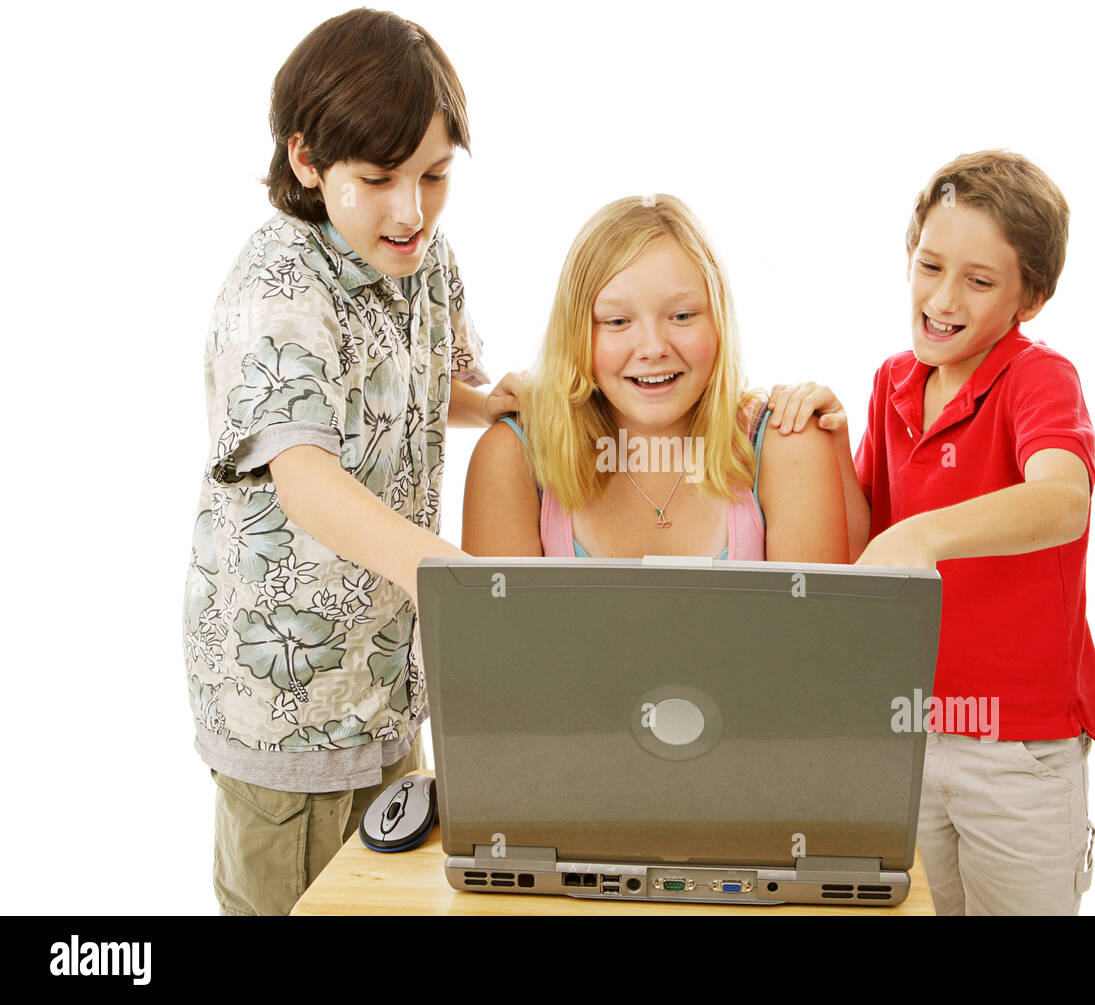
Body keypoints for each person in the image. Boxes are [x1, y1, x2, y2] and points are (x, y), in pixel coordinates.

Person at [182, 8, 523, 915]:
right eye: (378, 180)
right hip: (288, 710)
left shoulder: (425, 256)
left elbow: (411, 387)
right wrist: (448, 575)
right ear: (307, 161)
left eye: (436, 176)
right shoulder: (277, 286)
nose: (411, 209)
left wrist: (486, 403)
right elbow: (305, 476)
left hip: (384, 689)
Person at [771, 150, 1095, 915]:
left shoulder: (1036, 378)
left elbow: (1062, 499)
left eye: (980, 282)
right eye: (930, 266)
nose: (943, 298)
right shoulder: (893, 381)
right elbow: (868, 539)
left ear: (1032, 298)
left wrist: (926, 535)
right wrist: (831, 438)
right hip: (908, 734)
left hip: (1018, 751)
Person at [462, 194, 847, 564]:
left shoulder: (788, 445)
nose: (652, 348)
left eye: (682, 316)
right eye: (617, 321)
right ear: (577, 333)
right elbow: (495, 632)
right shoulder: (513, 458)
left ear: (719, 322)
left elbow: (825, 629)